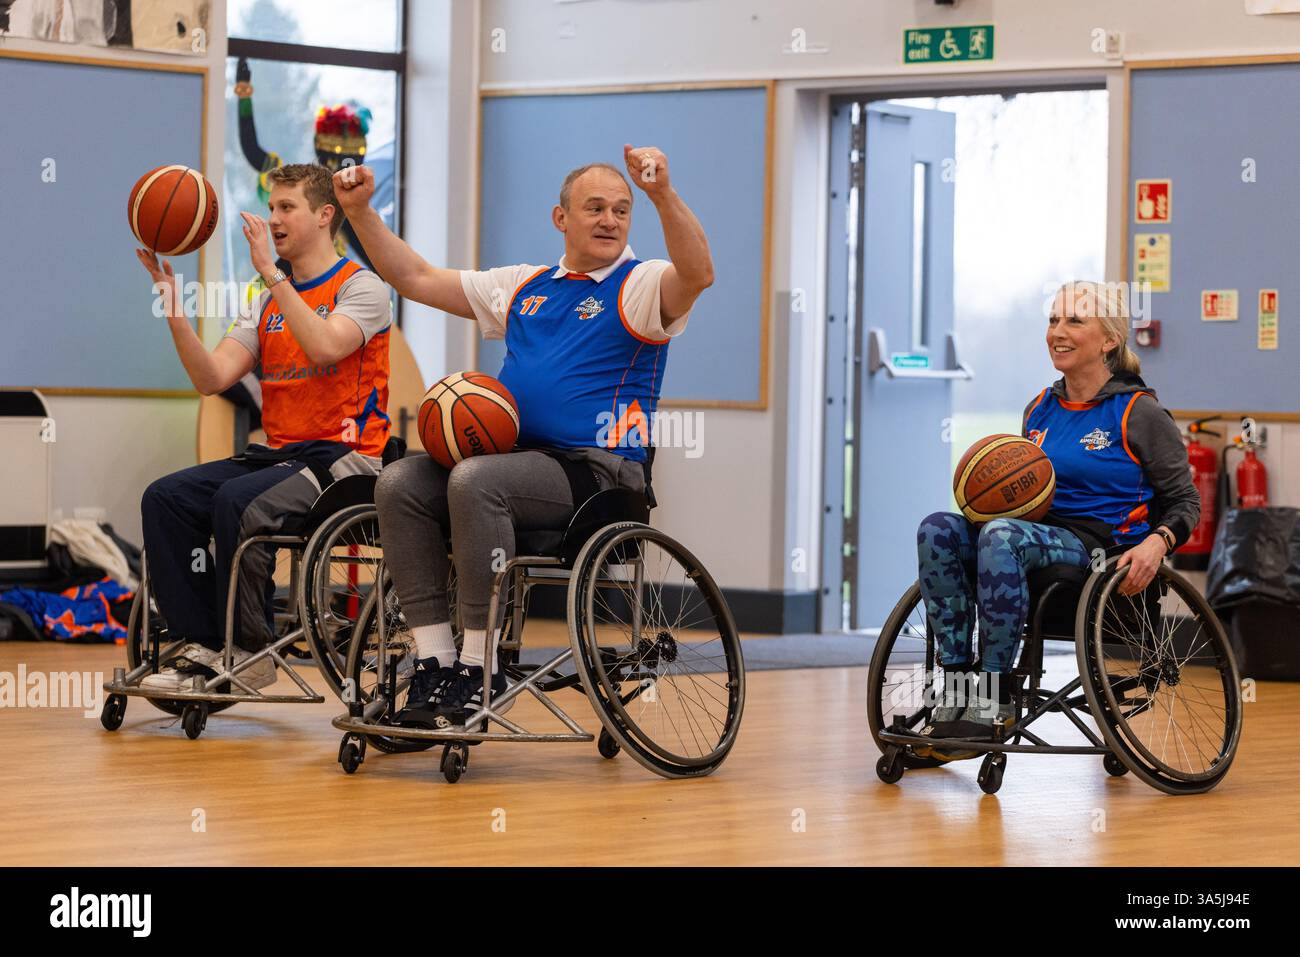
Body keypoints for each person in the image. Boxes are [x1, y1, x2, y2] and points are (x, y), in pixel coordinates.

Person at [334, 145, 713, 728]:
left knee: (476, 478)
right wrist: (360, 212)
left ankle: (482, 668)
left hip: (600, 473)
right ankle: (436, 659)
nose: (609, 220)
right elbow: (414, 277)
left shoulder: (641, 284)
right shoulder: (525, 285)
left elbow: (698, 274)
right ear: (561, 219)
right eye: (594, 208)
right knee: (401, 480)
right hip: (517, 464)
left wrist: (662, 193)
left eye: (621, 209)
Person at [135, 163, 393, 691]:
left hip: (346, 459)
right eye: (271, 206)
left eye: (286, 207)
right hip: (282, 456)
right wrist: (174, 309)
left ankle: (250, 651)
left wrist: (272, 275)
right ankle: (205, 642)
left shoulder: (363, 288)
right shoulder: (265, 302)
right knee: (166, 497)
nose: (272, 218)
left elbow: (324, 346)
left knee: (239, 500)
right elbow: (212, 377)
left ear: (325, 215)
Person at [915, 280, 1200, 742]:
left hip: (1099, 550)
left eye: (1074, 320)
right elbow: (1021, 495)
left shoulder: (1138, 412)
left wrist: (1157, 542)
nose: (1057, 331)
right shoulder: (1040, 409)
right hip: (1030, 535)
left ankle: (993, 695)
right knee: (938, 529)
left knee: (1001, 537)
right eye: (1052, 320)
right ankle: (956, 685)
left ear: (1108, 340)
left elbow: (1186, 501)